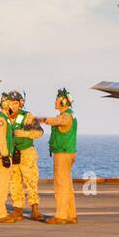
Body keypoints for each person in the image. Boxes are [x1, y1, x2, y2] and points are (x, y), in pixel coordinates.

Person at [36, 88, 78, 224]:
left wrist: (42, 120)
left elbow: (59, 121)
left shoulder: (66, 116)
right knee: (67, 184)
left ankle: (61, 216)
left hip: (63, 153)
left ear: (64, 101)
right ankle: (71, 214)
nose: (55, 101)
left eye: (57, 99)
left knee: (60, 184)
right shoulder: (70, 115)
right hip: (67, 152)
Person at [8, 94, 46, 222]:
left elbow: (39, 132)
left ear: (20, 104)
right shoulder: (5, 117)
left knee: (31, 181)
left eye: (15, 103)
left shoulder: (27, 116)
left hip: (26, 153)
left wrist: (24, 133)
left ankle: (34, 209)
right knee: (14, 182)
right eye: (11, 103)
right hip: (12, 153)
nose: (13, 106)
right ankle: (17, 209)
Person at [0, 91, 22, 223]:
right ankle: (0, 214)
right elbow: (0, 139)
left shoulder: (5, 117)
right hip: (2, 156)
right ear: (5, 103)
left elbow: (8, 137)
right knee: (1, 185)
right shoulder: (1, 119)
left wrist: (14, 150)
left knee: (4, 185)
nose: (13, 104)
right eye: (11, 102)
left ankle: (1, 212)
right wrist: (5, 155)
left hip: (6, 155)